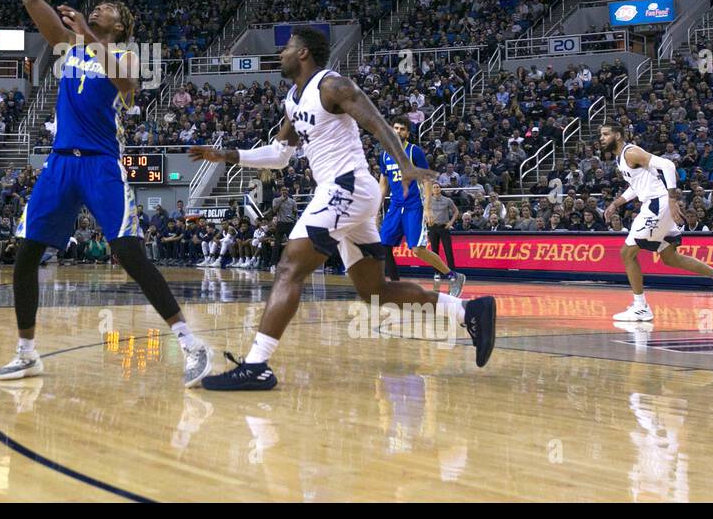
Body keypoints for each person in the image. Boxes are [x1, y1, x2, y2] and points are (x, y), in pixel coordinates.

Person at [190, 28, 497, 390]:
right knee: (375, 290)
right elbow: (279, 155)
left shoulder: (332, 86)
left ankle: (257, 365)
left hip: (346, 186)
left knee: (290, 266)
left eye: (287, 48)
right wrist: (228, 155)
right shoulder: (293, 99)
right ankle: (468, 311)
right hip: (349, 196)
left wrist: (405, 164)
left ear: (303, 53)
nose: (282, 54)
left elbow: (376, 122)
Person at [0, 0, 211, 387]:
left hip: (100, 166)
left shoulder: (129, 58)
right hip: (59, 165)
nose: (97, 9)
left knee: (130, 253)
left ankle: (190, 345)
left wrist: (88, 33)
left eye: (107, 9)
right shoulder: (67, 48)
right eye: (95, 9)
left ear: (121, 25)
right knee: (26, 254)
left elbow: (122, 78)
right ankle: (26, 351)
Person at [599, 123, 713, 322]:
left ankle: (641, 307)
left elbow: (668, 165)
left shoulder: (631, 152)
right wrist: (616, 203)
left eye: (606, 134)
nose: (602, 138)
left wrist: (672, 198)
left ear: (617, 135)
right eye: (601, 135)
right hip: (656, 204)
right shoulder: (620, 158)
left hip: (657, 205)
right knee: (670, 258)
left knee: (627, 253)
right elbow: (637, 186)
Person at [377, 115, 465, 296]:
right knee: (384, 244)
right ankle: (395, 287)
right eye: (395, 128)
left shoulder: (414, 152)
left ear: (408, 133)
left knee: (417, 249)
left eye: (402, 129)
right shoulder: (385, 154)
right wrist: (376, 210)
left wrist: (427, 208)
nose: (398, 131)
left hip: (414, 206)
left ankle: (453, 276)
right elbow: (383, 184)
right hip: (395, 205)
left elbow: (426, 179)